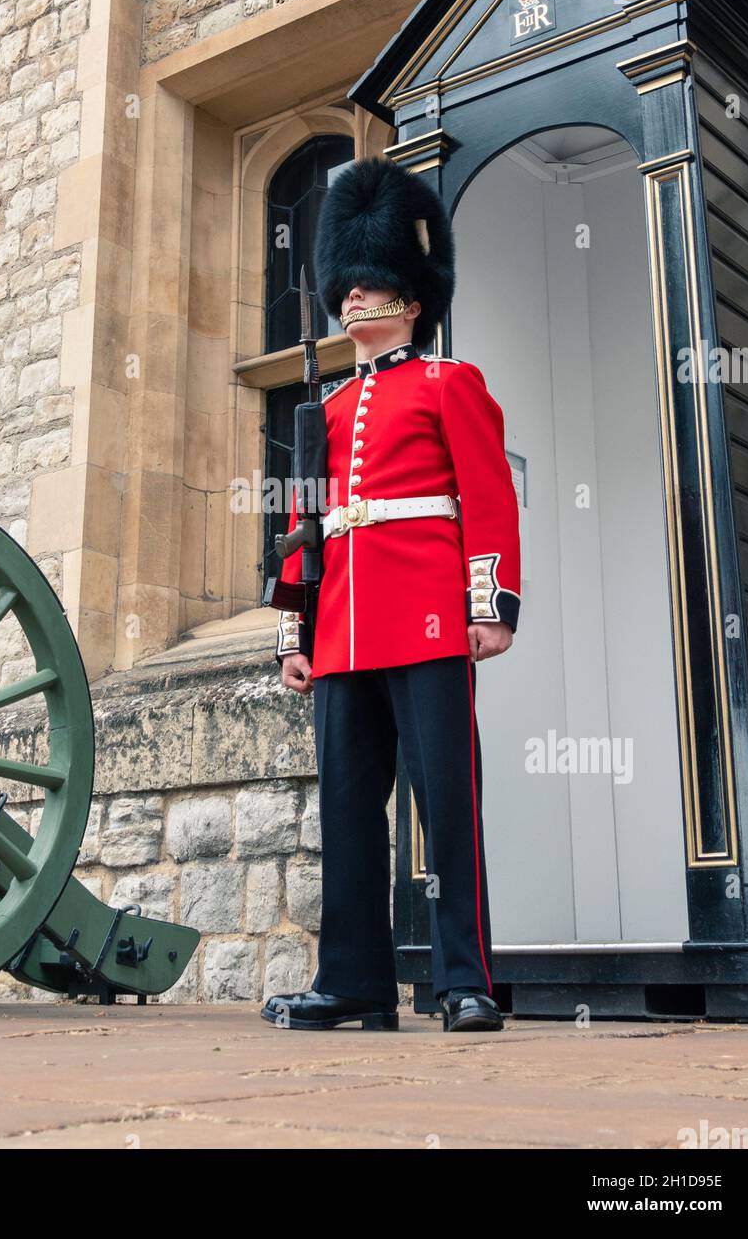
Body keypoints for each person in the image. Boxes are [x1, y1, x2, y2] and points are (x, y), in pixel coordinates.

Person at [263, 157, 521, 1033]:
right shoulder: (328, 413)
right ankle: (356, 984)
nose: (351, 302)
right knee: (346, 812)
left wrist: (487, 605)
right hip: (340, 633)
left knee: (446, 804)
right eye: (348, 287)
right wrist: (295, 633)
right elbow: (311, 526)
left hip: (426, 619)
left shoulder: (451, 385)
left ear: (409, 300)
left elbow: (485, 499)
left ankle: (462, 979)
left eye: (370, 287)